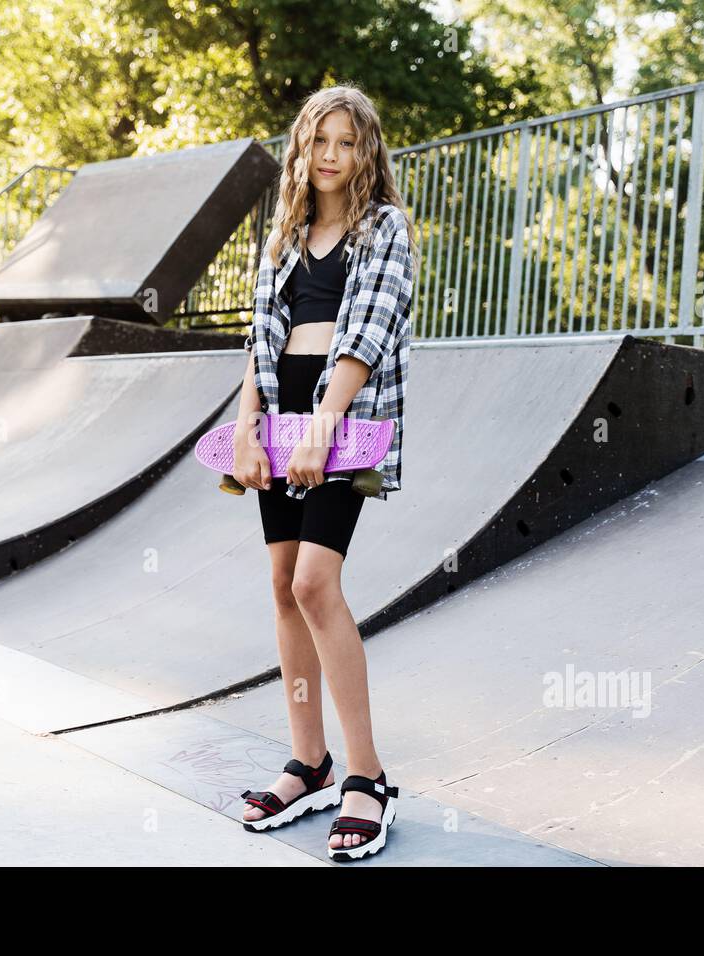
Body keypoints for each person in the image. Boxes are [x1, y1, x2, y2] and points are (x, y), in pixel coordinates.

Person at [233, 85, 417, 861]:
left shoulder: (385, 229)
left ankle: (368, 778)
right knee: (281, 586)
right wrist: (246, 427)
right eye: (319, 142)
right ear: (301, 152)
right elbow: (260, 338)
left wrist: (324, 424)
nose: (332, 155)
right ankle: (309, 764)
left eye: (347, 142)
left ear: (366, 150)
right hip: (277, 419)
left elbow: (366, 336)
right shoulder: (284, 236)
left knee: (315, 583)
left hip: (344, 424)